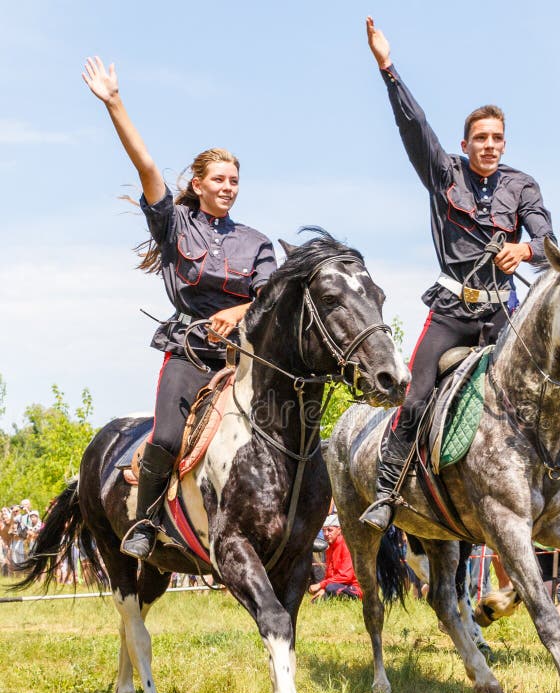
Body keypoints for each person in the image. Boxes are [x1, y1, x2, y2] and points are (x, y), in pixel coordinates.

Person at [360, 18, 554, 532]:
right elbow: (412, 125)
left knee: (556, 388)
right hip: (451, 311)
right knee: (417, 396)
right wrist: (388, 67)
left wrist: (525, 249)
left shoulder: (523, 184)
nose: (489, 145)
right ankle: (387, 490)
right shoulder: (444, 172)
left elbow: (548, 240)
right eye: (480, 138)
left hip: (505, 313)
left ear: (504, 143)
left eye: (497, 139)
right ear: (465, 143)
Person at [82, 57, 276, 559]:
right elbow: (146, 165)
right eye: (219, 179)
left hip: (243, 359)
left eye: (235, 180)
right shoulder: (174, 224)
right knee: (166, 437)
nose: (229, 187)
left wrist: (240, 312)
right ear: (199, 182)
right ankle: (145, 524)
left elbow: (270, 296)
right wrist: (114, 102)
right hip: (190, 353)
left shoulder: (256, 241)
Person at [308, 515, 362, 601]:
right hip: (338, 585)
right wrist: (322, 588)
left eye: (329, 530)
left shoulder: (347, 545)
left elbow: (346, 576)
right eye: (323, 530)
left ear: (339, 530)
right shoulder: (329, 547)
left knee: (330, 588)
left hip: (354, 588)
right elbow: (329, 574)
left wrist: (321, 585)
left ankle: (350, 598)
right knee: (316, 600)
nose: (325, 534)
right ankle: (333, 596)